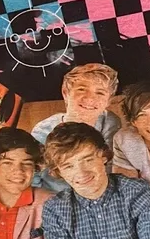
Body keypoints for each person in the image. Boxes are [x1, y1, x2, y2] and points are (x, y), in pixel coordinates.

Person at [31, 63, 121, 193]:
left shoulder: (110, 123)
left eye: (100, 92)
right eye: (81, 89)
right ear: (65, 93)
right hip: (57, 197)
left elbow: (112, 167)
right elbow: (33, 178)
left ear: (109, 101)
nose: (90, 98)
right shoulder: (43, 131)